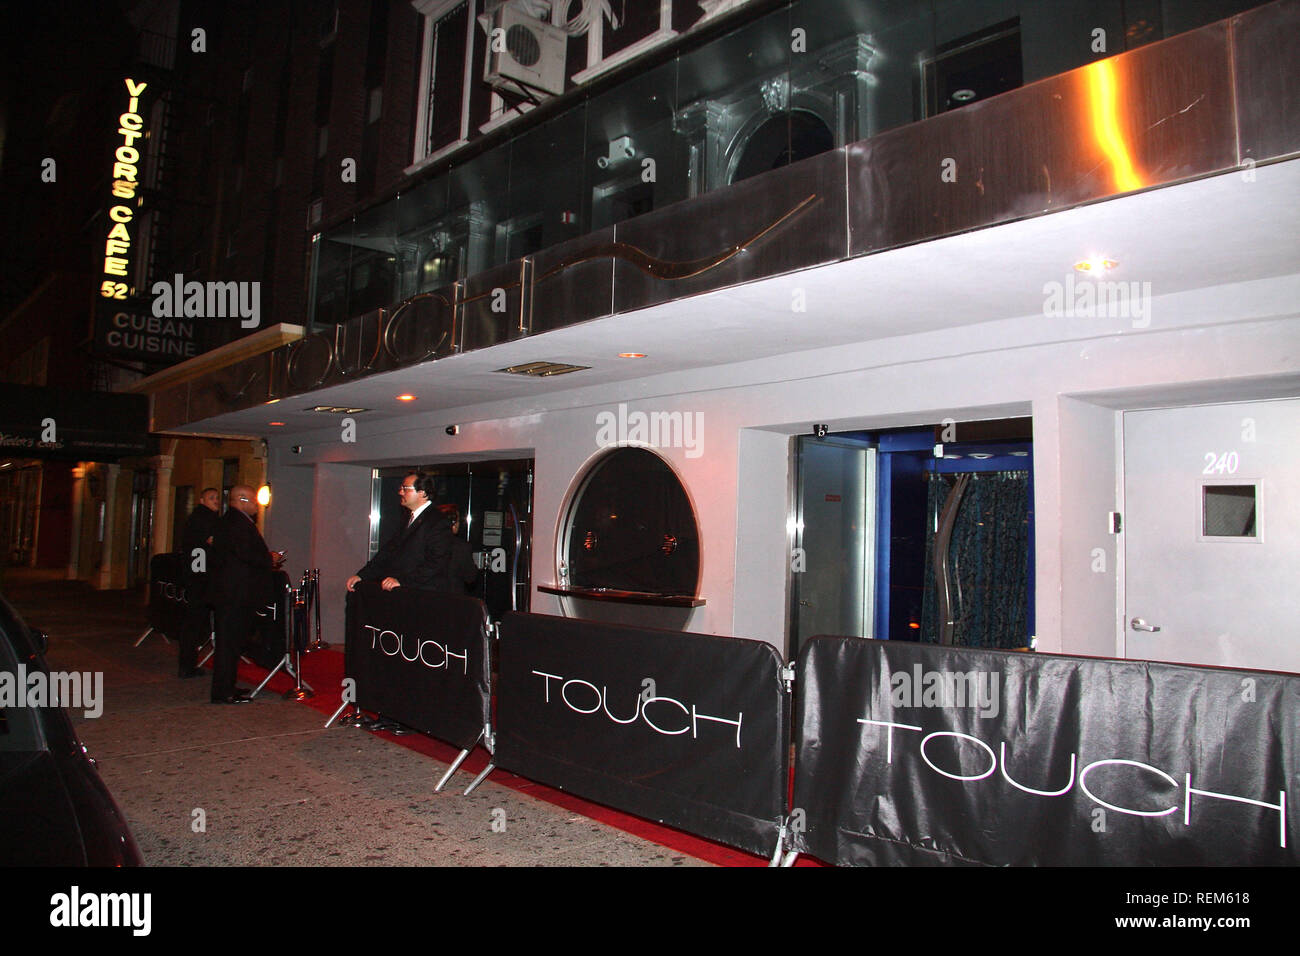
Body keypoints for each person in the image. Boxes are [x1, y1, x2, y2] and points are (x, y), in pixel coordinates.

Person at [208, 484, 276, 704]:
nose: (257, 505)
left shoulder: (228, 521)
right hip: (235, 594)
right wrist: (269, 558)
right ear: (242, 500)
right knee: (229, 643)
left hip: (229, 592)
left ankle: (227, 686)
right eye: (254, 501)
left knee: (231, 643)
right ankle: (223, 692)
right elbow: (246, 554)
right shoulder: (237, 523)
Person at [345, 472, 452, 593]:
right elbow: (388, 551)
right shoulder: (408, 518)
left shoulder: (437, 521)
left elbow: (436, 562)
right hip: (405, 592)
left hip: (422, 595)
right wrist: (362, 576)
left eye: (405, 488)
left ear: (422, 493)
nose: (400, 492)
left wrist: (402, 581)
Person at [178, 487, 222, 678]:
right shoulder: (206, 519)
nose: (216, 501)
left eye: (217, 498)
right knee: (194, 622)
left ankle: (188, 663)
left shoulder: (195, 518)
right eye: (211, 498)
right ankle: (188, 665)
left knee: (193, 622)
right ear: (202, 500)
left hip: (195, 576)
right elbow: (215, 542)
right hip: (201, 578)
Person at [437, 503, 480, 595]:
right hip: (453, 600)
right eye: (458, 521)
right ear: (453, 524)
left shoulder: (424, 542)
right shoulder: (460, 547)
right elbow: (470, 576)